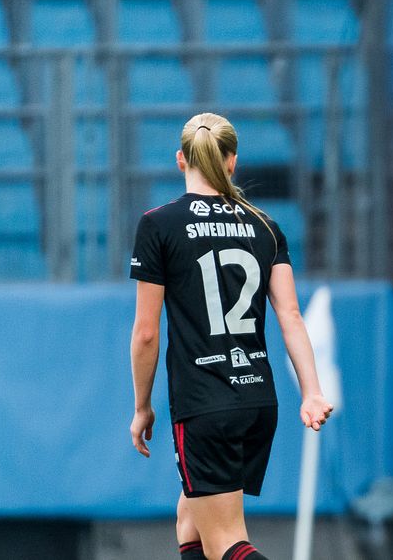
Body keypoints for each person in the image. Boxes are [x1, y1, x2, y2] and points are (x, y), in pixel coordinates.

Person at [128, 113, 334, 560]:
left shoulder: (158, 224)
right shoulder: (264, 225)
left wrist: (143, 407)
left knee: (227, 541)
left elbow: (146, 334)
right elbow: (291, 315)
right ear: (232, 162)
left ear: (181, 160)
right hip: (258, 400)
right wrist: (311, 392)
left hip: (206, 402)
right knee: (190, 520)